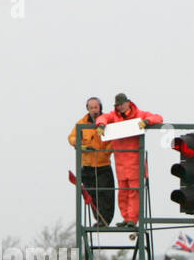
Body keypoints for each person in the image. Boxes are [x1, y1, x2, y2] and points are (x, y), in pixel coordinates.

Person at [94, 93, 163, 227]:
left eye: (121, 104)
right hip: (120, 163)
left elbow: (158, 117)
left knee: (133, 192)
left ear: (127, 103)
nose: (119, 107)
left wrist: (147, 122)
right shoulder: (113, 116)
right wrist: (101, 125)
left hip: (135, 163)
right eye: (117, 105)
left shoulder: (139, 114)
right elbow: (103, 117)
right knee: (123, 192)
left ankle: (132, 219)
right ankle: (126, 218)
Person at [68, 97, 115, 225]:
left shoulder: (108, 122)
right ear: (87, 109)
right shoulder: (82, 123)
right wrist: (78, 145)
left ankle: (104, 220)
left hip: (103, 165)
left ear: (100, 107)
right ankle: (99, 219)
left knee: (106, 195)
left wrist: (106, 152)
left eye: (96, 107)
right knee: (91, 195)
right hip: (87, 166)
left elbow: (114, 140)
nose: (94, 110)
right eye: (91, 108)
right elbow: (72, 137)